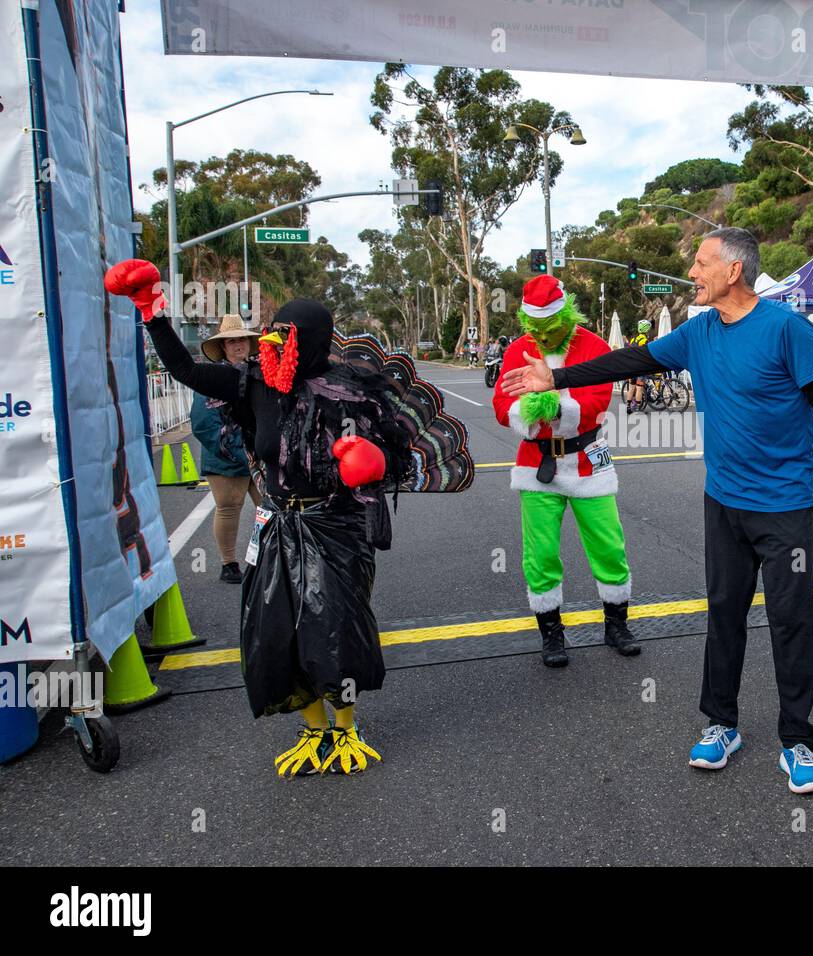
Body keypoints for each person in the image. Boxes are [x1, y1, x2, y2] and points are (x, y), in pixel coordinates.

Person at [501, 227, 813, 795]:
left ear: (733, 272)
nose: (691, 273)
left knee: (791, 622)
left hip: (785, 508)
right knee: (723, 615)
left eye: (701, 263)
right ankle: (721, 724)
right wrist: (558, 376)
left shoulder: (787, 330)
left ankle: (797, 739)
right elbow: (630, 360)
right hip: (723, 503)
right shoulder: (698, 332)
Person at [106, 259, 473, 776]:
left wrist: (376, 462)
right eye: (276, 332)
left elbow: (397, 452)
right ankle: (313, 727)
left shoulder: (354, 390)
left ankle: (346, 729)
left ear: (317, 341)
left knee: (336, 629)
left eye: (290, 334)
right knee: (274, 630)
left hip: (338, 526)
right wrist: (153, 312)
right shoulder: (255, 383)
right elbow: (187, 372)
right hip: (276, 522)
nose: (279, 341)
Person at [491, 275, 640, 667]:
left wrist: (551, 404)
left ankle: (616, 623)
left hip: (589, 461)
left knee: (609, 545)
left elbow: (596, 402)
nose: (544, 336)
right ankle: (551, 632)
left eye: (551, 328)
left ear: (567, 316)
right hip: (536, 465)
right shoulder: (518, 349)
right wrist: (530, 410)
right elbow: (502, 405)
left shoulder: (593, 345)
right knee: (540, 554)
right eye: (536, 329)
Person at [190, 315, 263, 583]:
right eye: (231, 341)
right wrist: (235, 449)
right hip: (225, 455)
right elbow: (202, 422)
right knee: (230, 506)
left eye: (241, 339)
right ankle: (229, 563)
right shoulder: (212, 377)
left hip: (260, 454)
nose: (238, 345)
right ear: (223, 346)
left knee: (270, 507)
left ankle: (269, 557)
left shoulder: (259, 373)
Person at [629, 318, 652, 412]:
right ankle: (638, 408)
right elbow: (648, 353)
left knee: (631, 388)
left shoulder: (633, 340)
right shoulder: (644, 340)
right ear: (646, 329)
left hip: (631, 367)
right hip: (640, 367)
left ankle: (628, 406)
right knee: (639, 389)